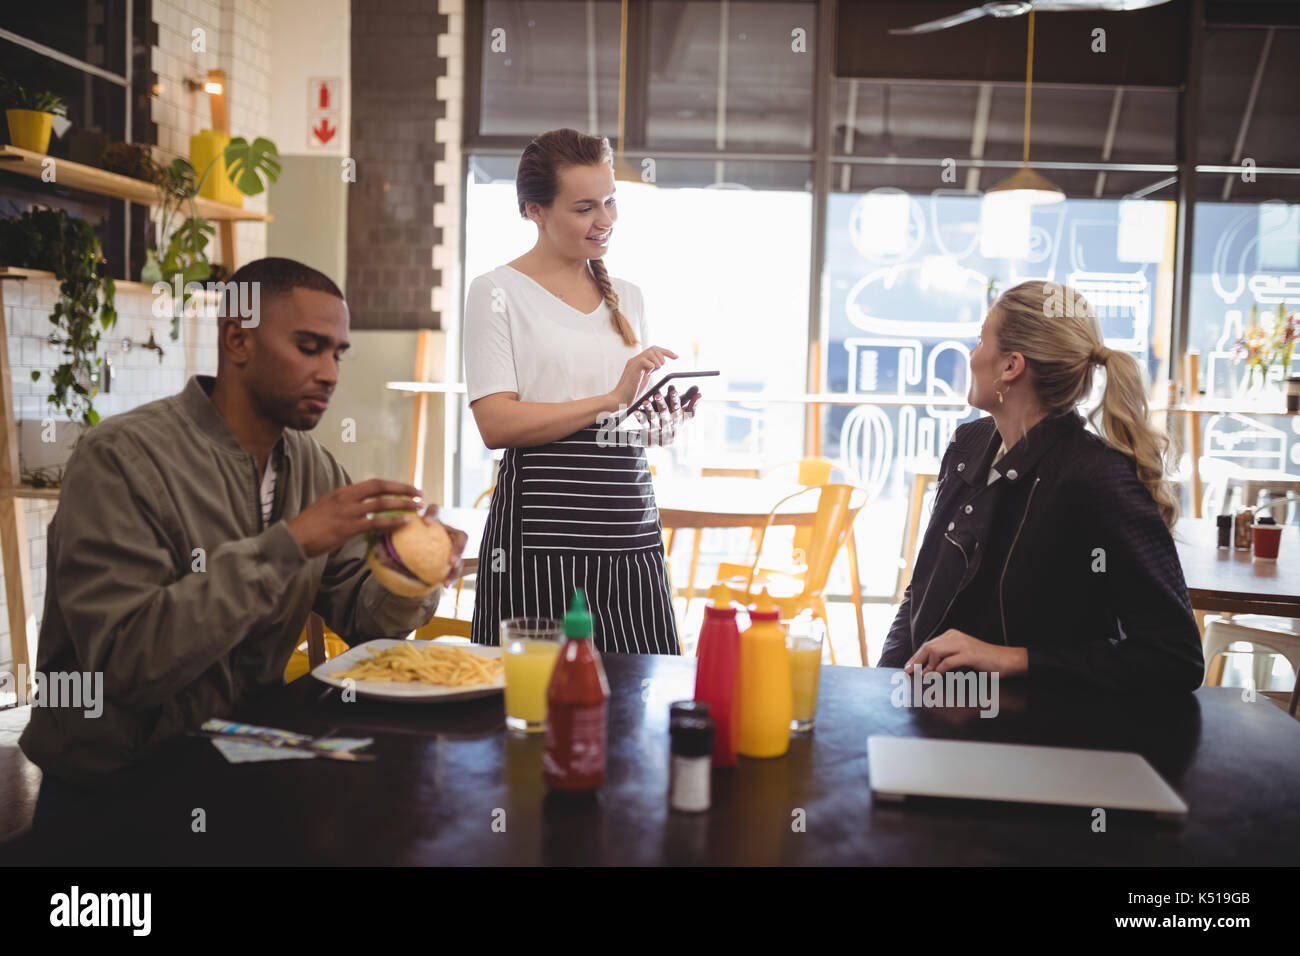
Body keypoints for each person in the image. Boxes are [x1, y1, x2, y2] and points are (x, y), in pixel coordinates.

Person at [20, 256, 466, 819]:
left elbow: (363, 613)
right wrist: (289, 545)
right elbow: (125, 666)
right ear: (237, 340)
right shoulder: (121, 460)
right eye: (310, 347)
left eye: (338, 353)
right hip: (117, 791)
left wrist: (412, 574)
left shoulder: (314, 467)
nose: (330, 372)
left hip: (246, 760)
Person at [879, 280, 1204, 692]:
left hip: (1042, 735)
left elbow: (1175, 656)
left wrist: (1014, 660)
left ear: (1011, 366)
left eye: (981, 340)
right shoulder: (969, 445)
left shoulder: (1097, 478)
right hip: (940, 719)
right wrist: (885, 686)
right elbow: (920, 590)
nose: (972, 353)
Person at [463, 128, 699, 654]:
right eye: (585, 207)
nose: (606, 220)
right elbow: (496, 425)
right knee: (534, 701)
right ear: (535, 210)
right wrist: (610, 401)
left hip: (630, 529)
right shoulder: (496, 292)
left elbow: (621, 417)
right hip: (540, 536)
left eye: (611, 201)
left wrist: (656, 423)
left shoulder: (630, 298)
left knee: (641, 698)